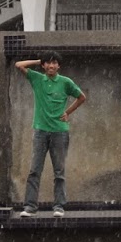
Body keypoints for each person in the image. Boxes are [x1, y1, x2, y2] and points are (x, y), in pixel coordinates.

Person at [14, 52, 86, 217]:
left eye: (54, 63)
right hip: (40, 131)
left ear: (59, 66)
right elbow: (19, 65)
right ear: (44, 65)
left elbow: (82, 97)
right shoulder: (37, 79)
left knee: (59, 171)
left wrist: (68, 112)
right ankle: (30, 207)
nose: (51, 66)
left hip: (60, 132)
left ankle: (59, 206)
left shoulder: (66, 82)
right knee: (34, 170)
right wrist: (40, 60)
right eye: (48, 63)